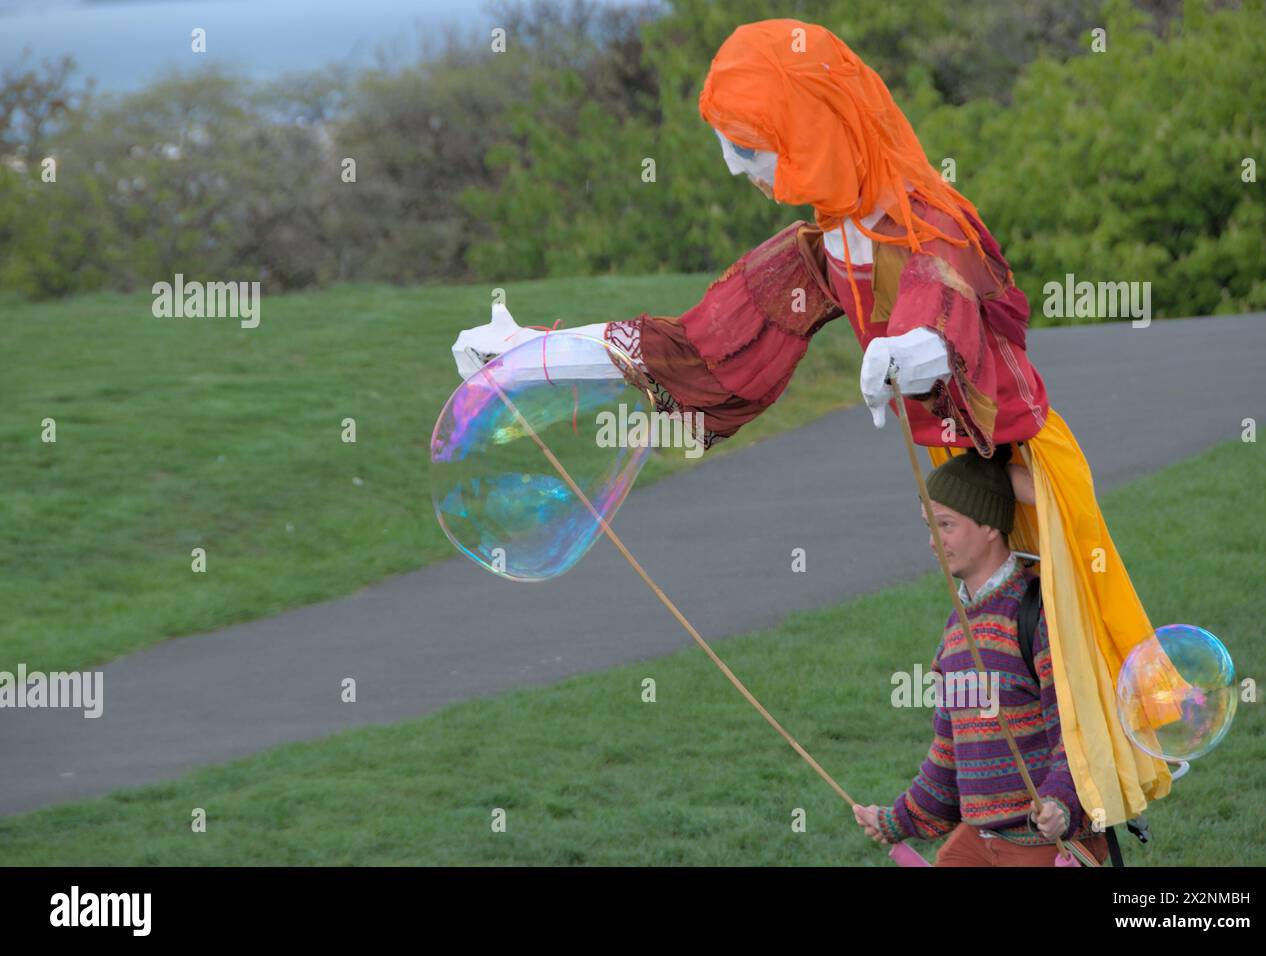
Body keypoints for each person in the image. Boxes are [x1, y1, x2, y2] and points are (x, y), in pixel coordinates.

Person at [451, 18, 1171, 833]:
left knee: (1075, 679)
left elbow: (955, 300)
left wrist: (917, 351)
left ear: (810, 127)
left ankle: (1069, 833)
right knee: (1003, 671)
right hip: (964, 485)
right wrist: (530, 355)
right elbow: (698, 350)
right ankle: (1005, 823)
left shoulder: (930, 218)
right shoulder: (824, 248)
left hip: (1023, 472)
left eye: (752, 149)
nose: (740, 171)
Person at [851, 447, 1112, 866]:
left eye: (947, 525)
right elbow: (949, 755)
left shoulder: (1037, 613)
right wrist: (895, 820)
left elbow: (1077, 727)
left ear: (990, 525)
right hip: (978, 841)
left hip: (1043, 845)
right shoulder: (956, 632)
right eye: (929, 526)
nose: (934, 540)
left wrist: (1060, 803)